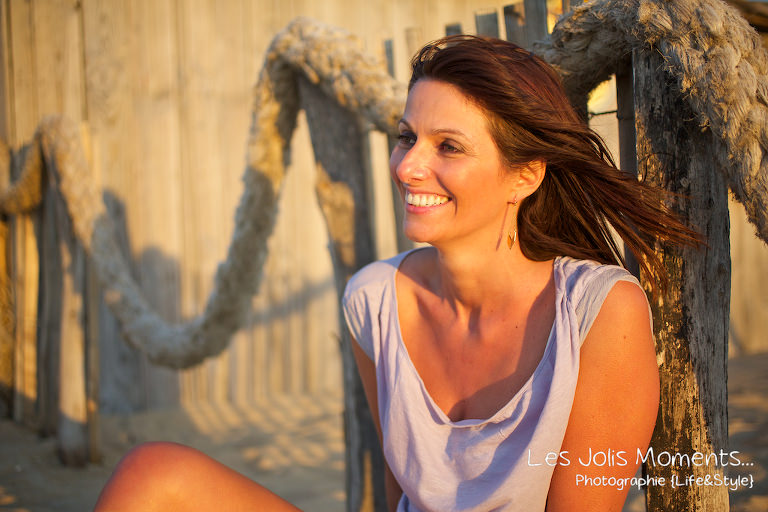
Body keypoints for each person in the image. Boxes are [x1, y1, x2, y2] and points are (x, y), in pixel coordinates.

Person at [94, 35, 700, 512]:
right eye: (407, 137)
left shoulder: (597, 313)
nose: (409, 166)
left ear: (526, 175)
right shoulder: (375, 300)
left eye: (449, 147)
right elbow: (400, 496)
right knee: (152, 473)